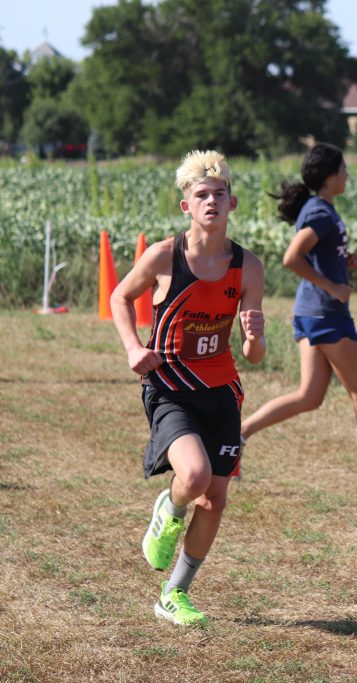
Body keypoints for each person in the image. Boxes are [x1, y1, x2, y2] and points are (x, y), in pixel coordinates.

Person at [110, 150, 267, 626]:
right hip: (170, 386)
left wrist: (256, 337)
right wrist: (133, 348)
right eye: (202, 195)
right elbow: (119, 296)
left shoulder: (249, 267)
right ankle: (170, 505)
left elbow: (254, 355)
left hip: (222, 392)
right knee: (194, 477)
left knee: (215, 500)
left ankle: (174, 593)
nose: (211, 202)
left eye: (220, 194)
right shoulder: (163, 256)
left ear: (233, 202)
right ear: (186, 206)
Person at [240, 142, 357, 494]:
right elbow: (292, 257)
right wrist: (333, 286)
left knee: (309, 396)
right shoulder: (321, 212)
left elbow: (316, 254)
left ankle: (238, 437)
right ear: (329, 178)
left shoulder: (320, 208)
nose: (348, 174)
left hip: (312, 312)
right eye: (343, 169)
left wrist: (344, 262)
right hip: (326, 315)